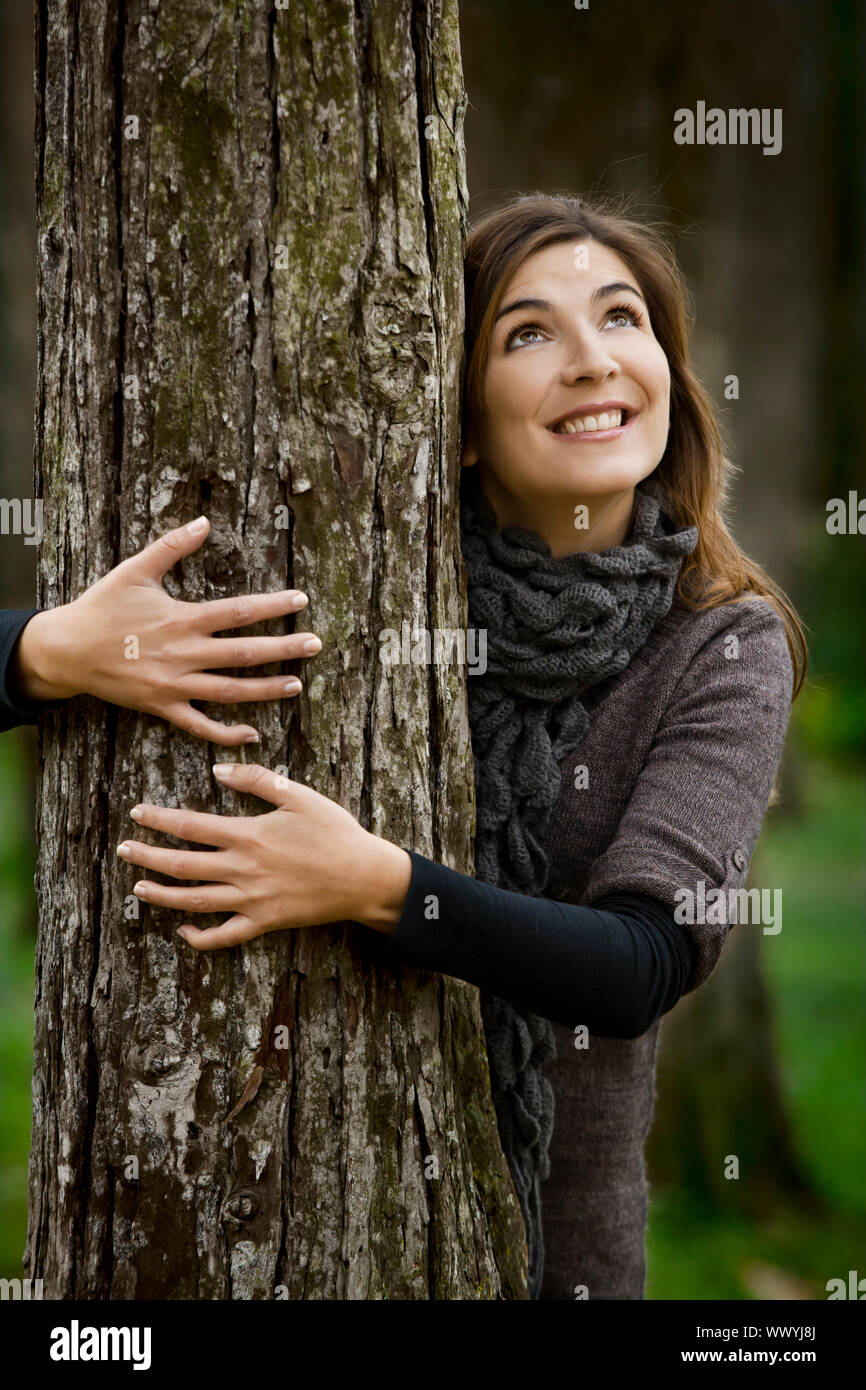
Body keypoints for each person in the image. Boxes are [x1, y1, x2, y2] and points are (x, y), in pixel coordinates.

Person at [0, 192, 806, 1300]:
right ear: (461, 416)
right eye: (527, 333)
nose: (590, 361)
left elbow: (639, 966)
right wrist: (46, 651)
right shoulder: (369, 578)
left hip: (546, 1262)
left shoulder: (720, 643)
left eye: (621, 319)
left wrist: (381, 887)